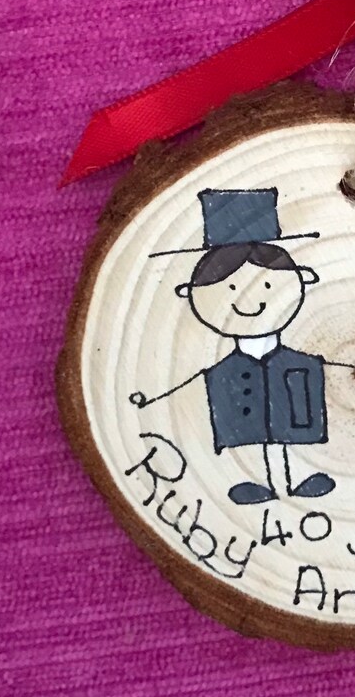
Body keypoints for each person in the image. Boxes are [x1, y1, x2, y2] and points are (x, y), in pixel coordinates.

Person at [130, 188, 341, 506]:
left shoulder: (302, 365)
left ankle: (296, 478)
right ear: (193, 293)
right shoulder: (221, 373)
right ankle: (257, 481)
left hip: (288, 381)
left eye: (268, 284)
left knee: (288, 429)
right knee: (250, 435)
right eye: (229, 287)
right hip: (239, 392)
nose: (249, 298)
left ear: (301, 279)